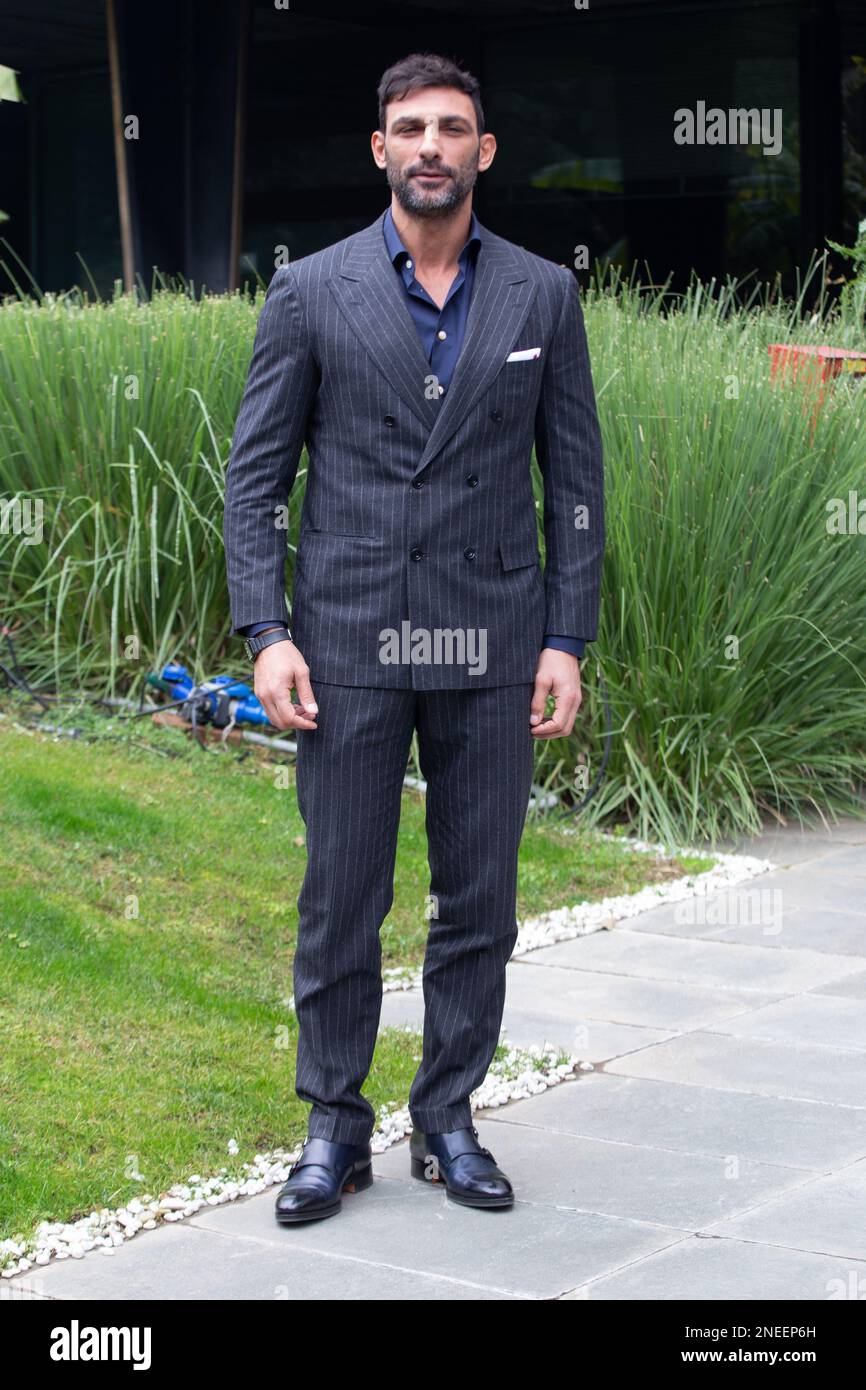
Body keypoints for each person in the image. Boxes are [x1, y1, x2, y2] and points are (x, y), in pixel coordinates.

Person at [223, 50, 605, 1223]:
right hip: (344, 638)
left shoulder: (542, 294)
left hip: (491, 642)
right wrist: (264, 628)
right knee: (342, 893)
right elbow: (254, 482)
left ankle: (446, 1115)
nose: (429, 145)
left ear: (482, 152)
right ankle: (332, 1125)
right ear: (378, 149)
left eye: (450, 128)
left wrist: (565, 638)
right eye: (408, 127)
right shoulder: (310, 292)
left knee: (477, 897)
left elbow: (575, 484)